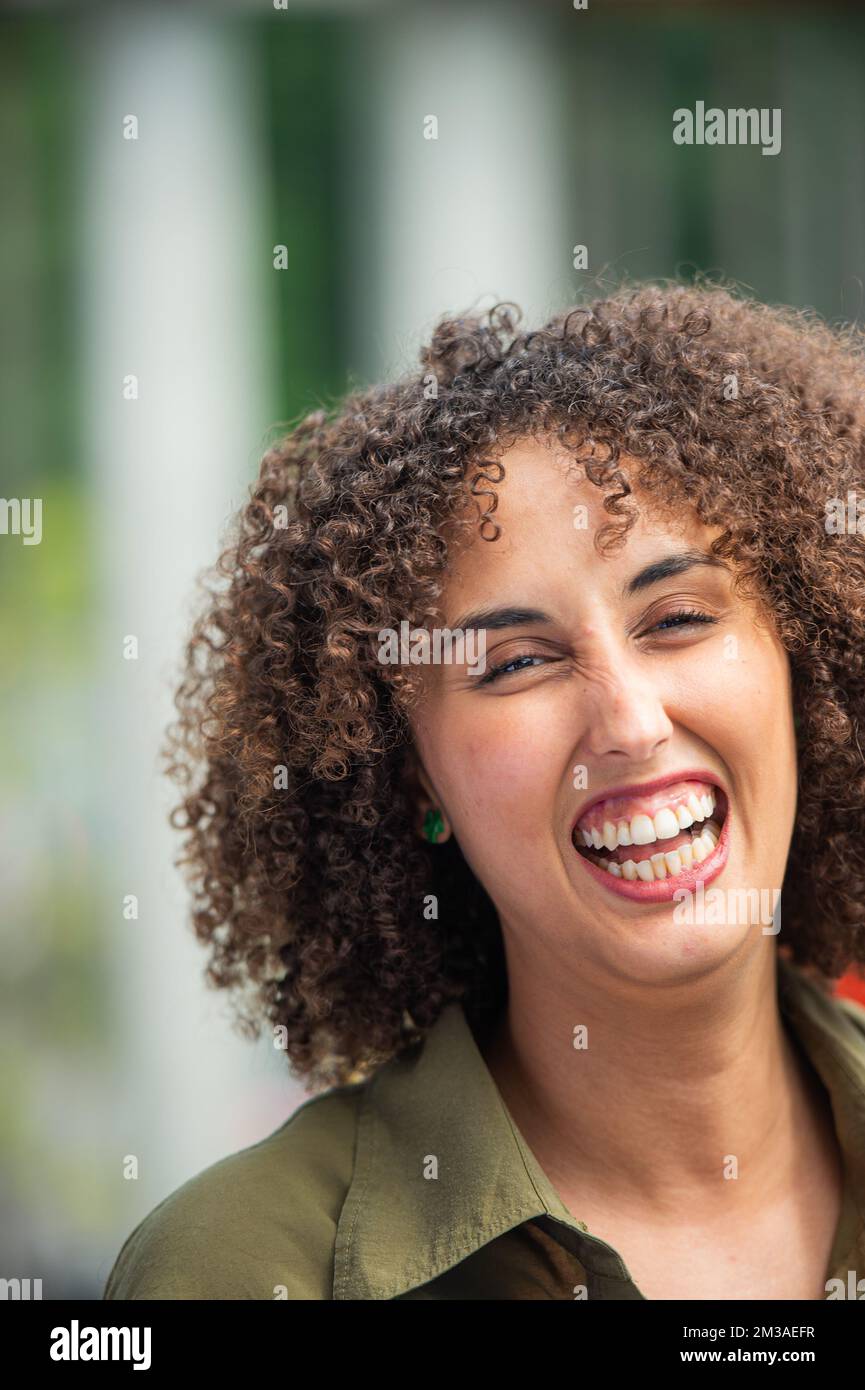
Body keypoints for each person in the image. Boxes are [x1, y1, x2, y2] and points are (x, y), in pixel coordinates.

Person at [104, 282, 865, 1300]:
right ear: (408, 771)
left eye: (677, 617)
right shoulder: (246, 1264)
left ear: (801, 661)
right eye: (513, 664)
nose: (630, 723)